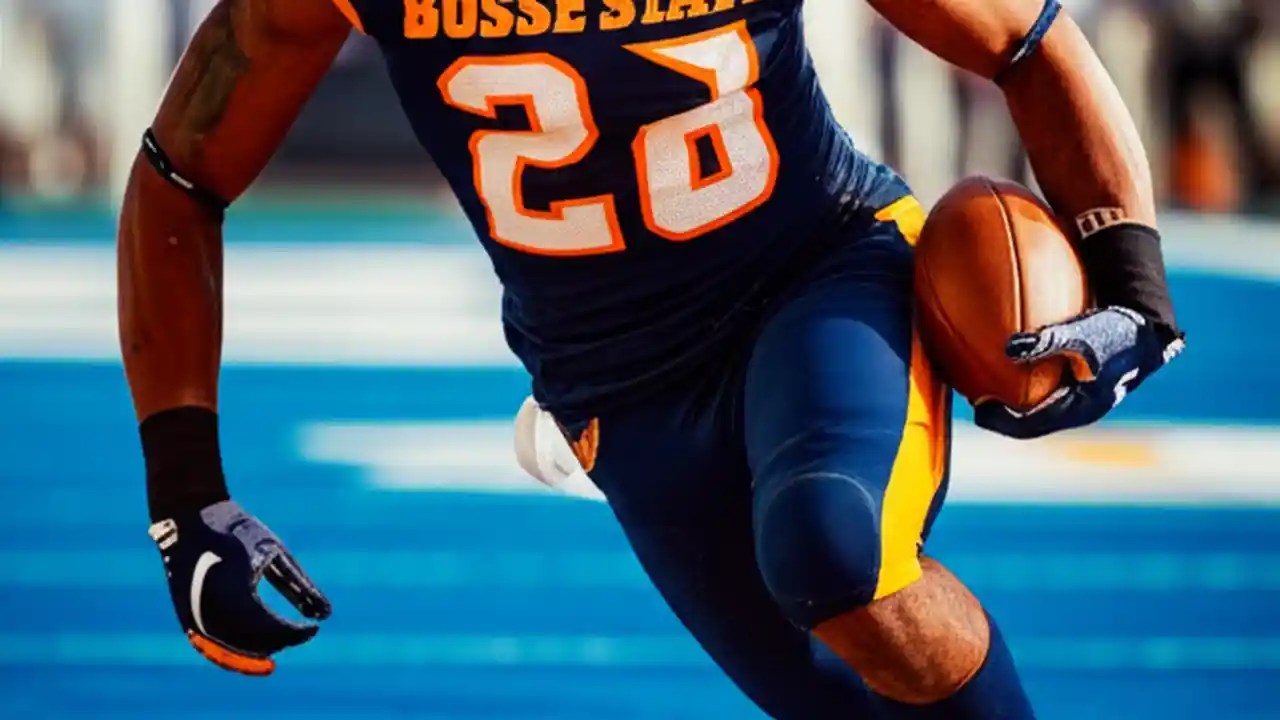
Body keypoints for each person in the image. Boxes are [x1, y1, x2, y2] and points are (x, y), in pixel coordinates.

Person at [119, 0, 1184, 717]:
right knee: (842, 696)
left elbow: (1023, 38)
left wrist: (1131, 287)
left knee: (829, 552)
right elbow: (181, 174)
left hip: (813, 275)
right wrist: (186, 494)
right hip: (610, 382)